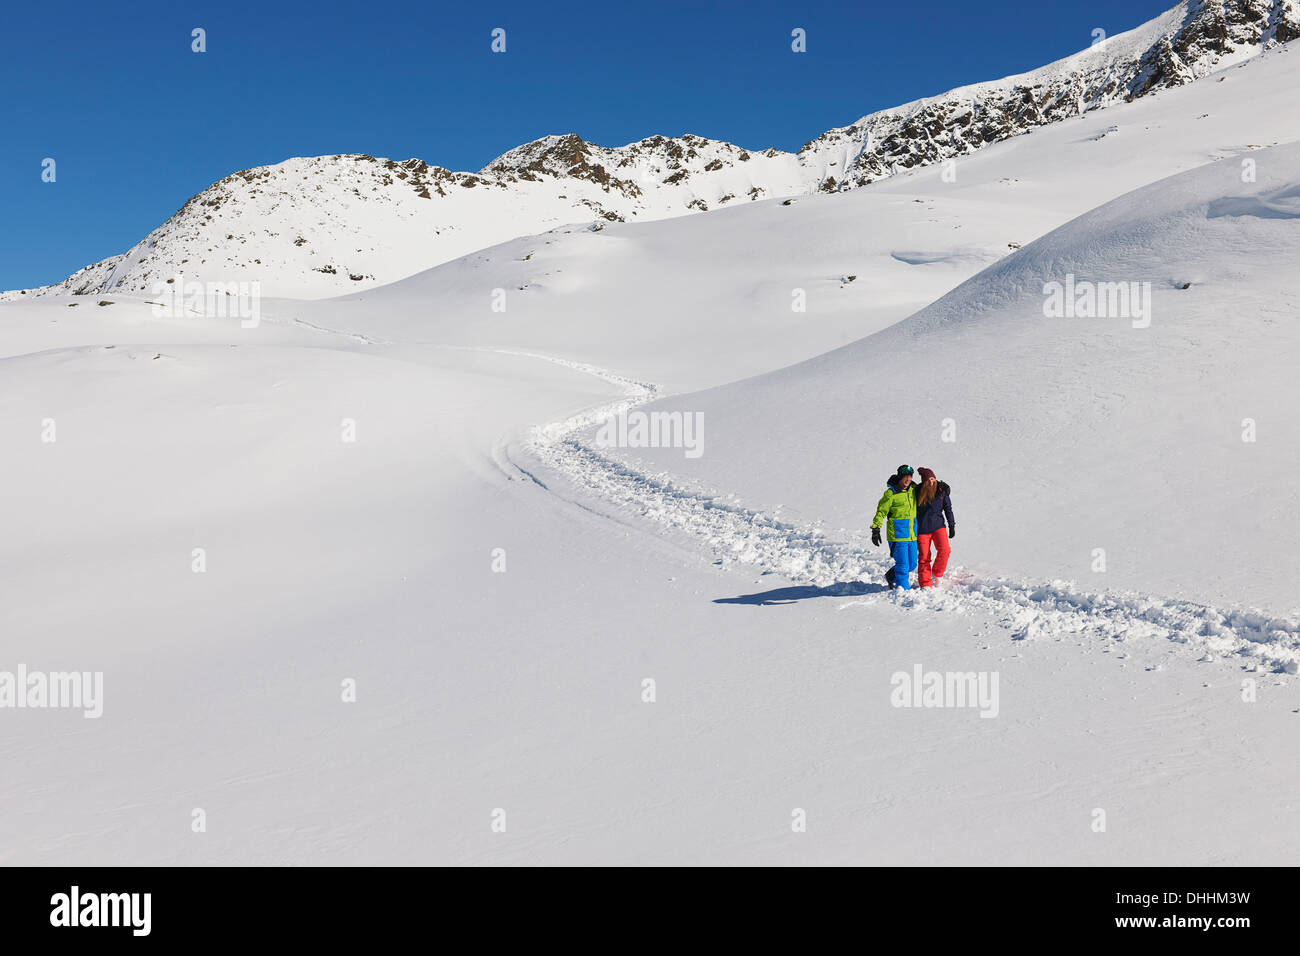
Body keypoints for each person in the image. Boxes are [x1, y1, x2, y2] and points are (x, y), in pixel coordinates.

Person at [871, 465, 918, 590]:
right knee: (903, 565)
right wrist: (876, 529)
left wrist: (941, 488)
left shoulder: (914, 489)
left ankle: (891, 576)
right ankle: (904, 590)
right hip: (897, 535)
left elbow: (929, 488)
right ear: (899, 478)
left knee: (912, 564)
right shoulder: (891, 494)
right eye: (905, 477)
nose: (908, 479)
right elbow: (881, 512)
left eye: (910, 477)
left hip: (912, 534)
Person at [914, 467, 955, 588]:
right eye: (928, 480)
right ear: (924, 482)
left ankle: (937, 574)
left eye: (933, 479)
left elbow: (948, 509)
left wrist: (951, 525)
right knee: (924, 557)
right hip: (922, 530)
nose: (931, 482)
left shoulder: (941, 491)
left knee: (945, 550)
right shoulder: (917, 492)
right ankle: (925, 583)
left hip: (938, 527)